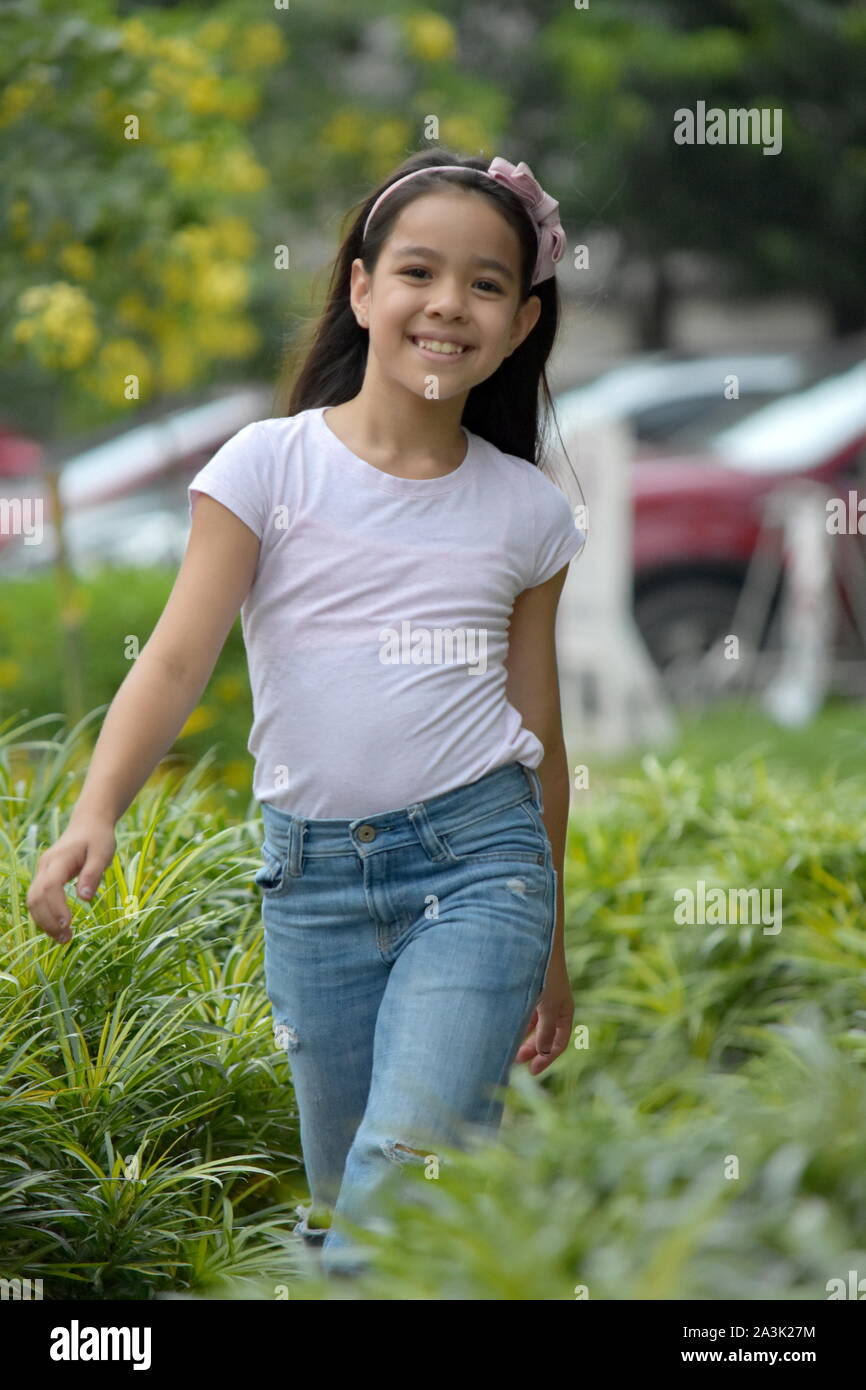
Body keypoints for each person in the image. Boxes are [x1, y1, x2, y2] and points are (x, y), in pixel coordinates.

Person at [26, 147, 587, 1281]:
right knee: (347, 1205)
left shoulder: (527, 510)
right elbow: (176, 656)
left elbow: (539, 730)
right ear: (362, 287)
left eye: (485, 284)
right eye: (420, 272)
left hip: (480, 870)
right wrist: (97, 811)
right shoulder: (266, 466)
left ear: (521, 322)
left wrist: (551, 944)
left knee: (395, 1178)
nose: (448, 305)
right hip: (310, 889)